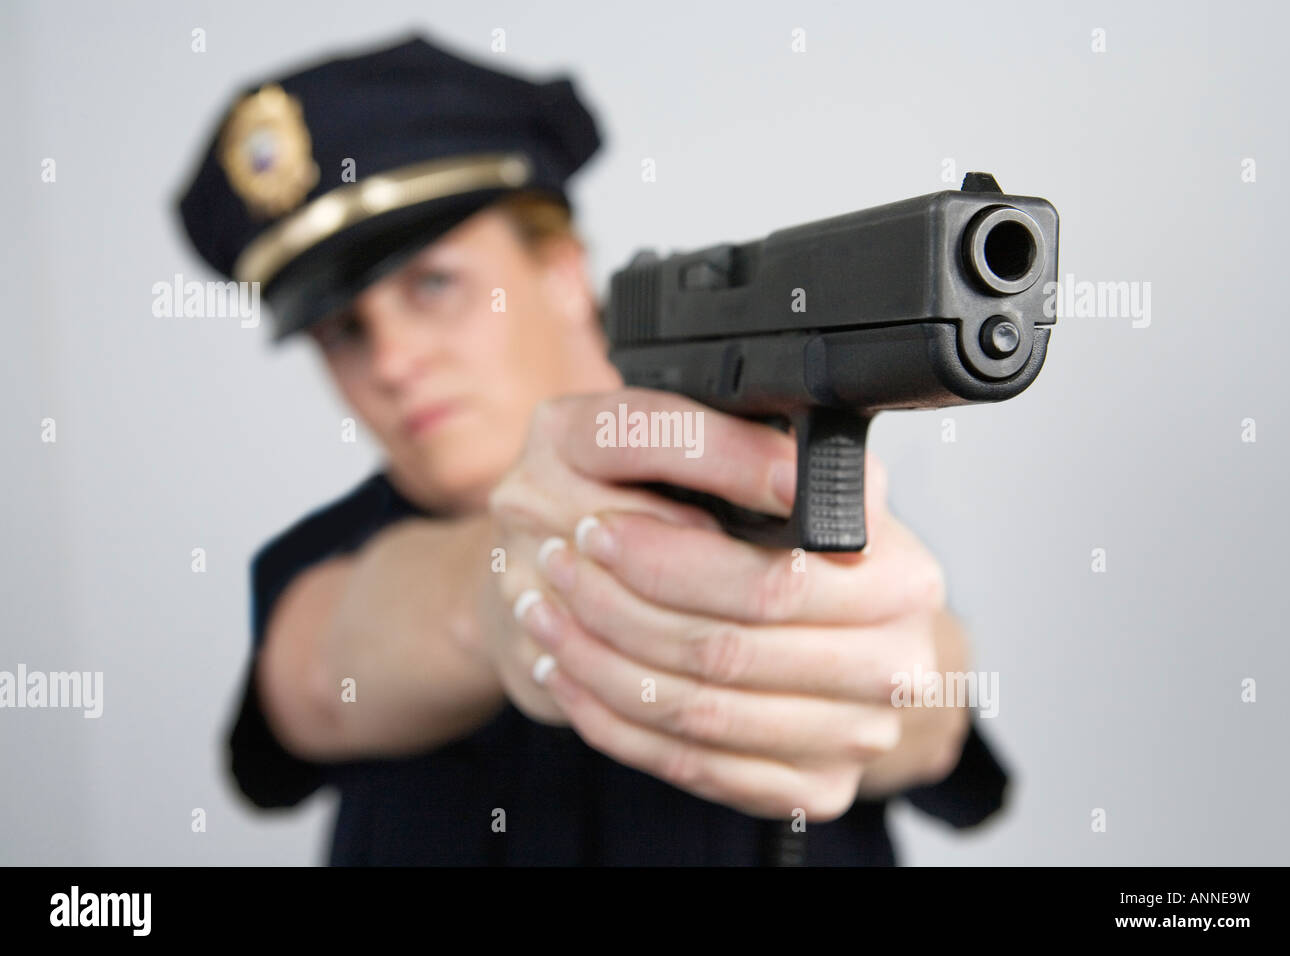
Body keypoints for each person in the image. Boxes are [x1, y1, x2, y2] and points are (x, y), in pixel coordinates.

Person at [175, 31, 1009, 865]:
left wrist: (883, 669)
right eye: (341, 332)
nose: (390, 362)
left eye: (434, 285)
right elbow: (320, 676)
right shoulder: (317, 566)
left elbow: (930, 724)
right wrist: (505, 589)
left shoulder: (755, 479)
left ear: (564, 272)